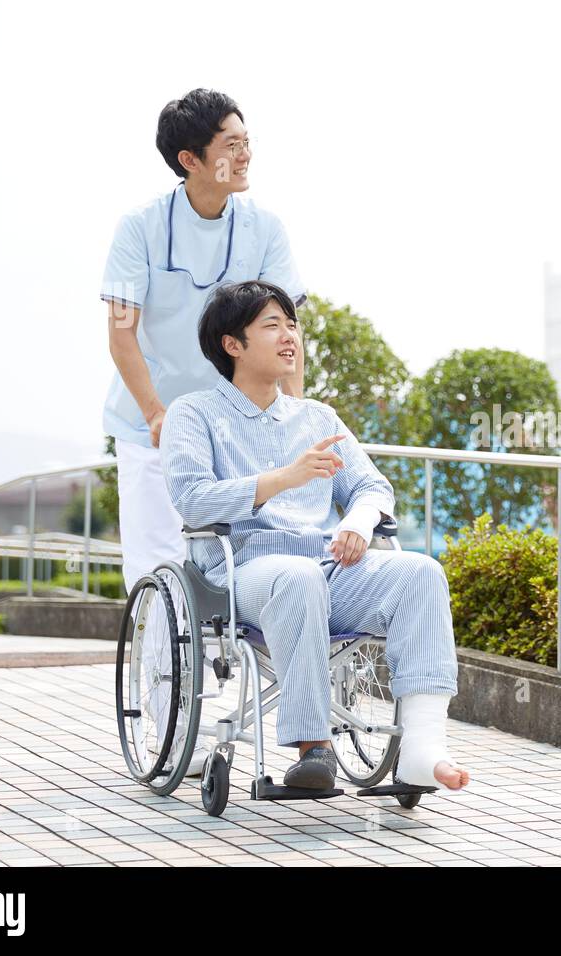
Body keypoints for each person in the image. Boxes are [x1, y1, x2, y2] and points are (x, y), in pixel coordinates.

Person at [159, 280, 470, 792]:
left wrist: (357, 522)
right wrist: (284, 478)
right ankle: (313, 748)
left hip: (324, 564)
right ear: (232, 344)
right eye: (272, 325)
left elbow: (372, 486)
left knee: (421, 572)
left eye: (292, 324)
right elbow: (192, 499)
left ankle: (421, 748)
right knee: (298, 576)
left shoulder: (317, 417)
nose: (290, 336)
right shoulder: (193, 414)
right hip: (238, 567)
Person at [100, 89, 306, 775]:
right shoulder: (141, 229)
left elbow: (286, 339)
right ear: (190, 159)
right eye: (230, 143)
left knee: (260, 558)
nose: (245, 153)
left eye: (247, 139)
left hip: (239, 430)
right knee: (162, 568)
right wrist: (159, 414)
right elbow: (121, 335)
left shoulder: (264, 228)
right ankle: (169, 723)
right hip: (152, 426)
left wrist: (294, 420)